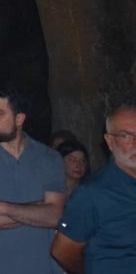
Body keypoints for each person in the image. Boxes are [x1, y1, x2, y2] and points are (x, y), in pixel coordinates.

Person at [0, 87, 65, 274]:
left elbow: (56, 216)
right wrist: (42, 208)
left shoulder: (49, 158)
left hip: (40, 267)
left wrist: (2, 207)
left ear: (19, 119)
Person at [51, 100, 136, 272]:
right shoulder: (92, 193)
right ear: (110, 141)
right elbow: (63, 252)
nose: (135, 143)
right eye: (126, 136)